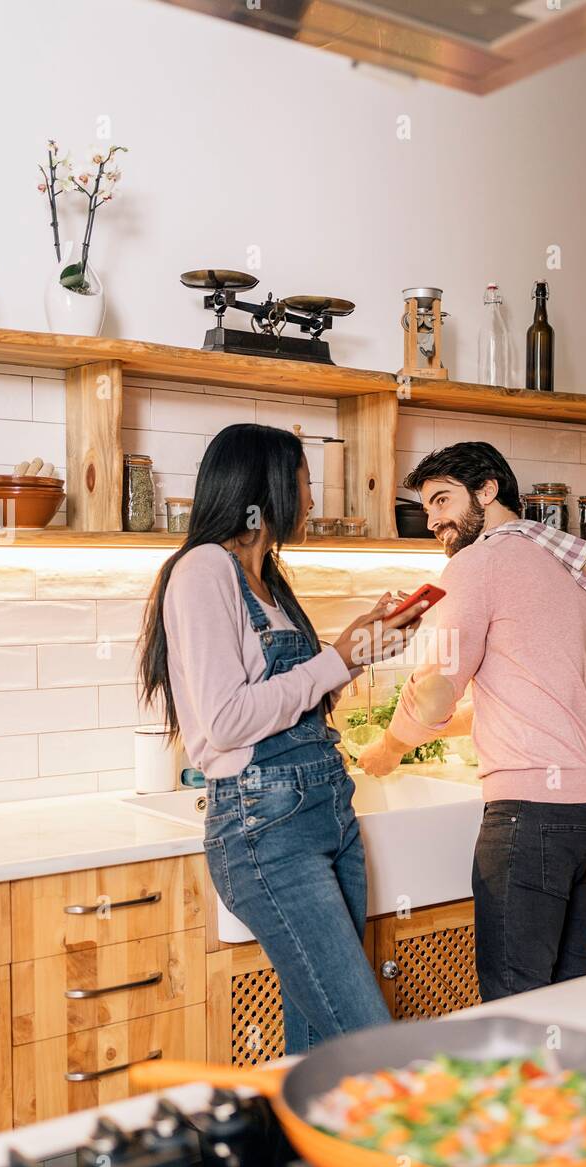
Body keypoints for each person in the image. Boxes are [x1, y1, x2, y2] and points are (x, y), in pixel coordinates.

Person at [139, 422, 426, 1054]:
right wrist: (335, 658)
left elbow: (296, 701)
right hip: (265, 831)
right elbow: (224, 720)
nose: (312, 500)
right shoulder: (202, 570)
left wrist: (362, 647)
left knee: (319, 1047)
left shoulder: (269, 581)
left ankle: (301, 1155)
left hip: (328, 815)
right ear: (264, 488)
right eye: (303, 482)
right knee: (369, 1044)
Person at [358, 441, 586, 1001]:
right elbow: (526, 698)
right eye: (426, 509)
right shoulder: (572, 570)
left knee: (513, 995)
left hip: (529, 812)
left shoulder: (476, 564)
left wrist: (390, 748)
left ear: (488, 490)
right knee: (569, 991)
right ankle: (573, 1088)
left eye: (443, 500)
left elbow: (432, 695)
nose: (434, 521)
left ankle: (517, 1088)